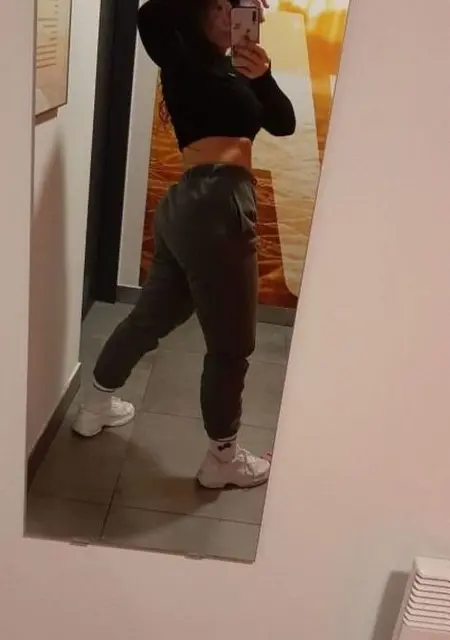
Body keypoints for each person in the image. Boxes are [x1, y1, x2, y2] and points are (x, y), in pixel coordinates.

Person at [74, 0, 296, 490]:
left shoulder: (237, 68)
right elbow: (149, 13)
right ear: (201, 10)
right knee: (232, 344)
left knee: (152, 315)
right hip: (217, 202)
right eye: (223, 6)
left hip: (194, 205)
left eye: (242, 10)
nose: (234, 17)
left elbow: (283, 122)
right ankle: (223, 458)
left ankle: (95, 404)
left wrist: (263, 76)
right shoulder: (183, 56)